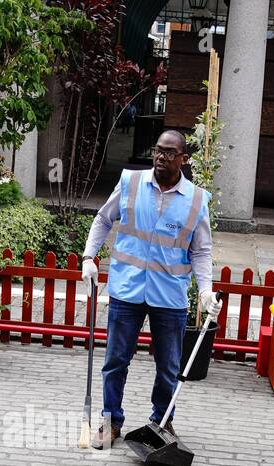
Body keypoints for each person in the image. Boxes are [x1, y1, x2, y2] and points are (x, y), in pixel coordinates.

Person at [81, 129, 220, 449]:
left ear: (183, 160)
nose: (161, 157)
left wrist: (205, 290)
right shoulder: (130, 183)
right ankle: (111, 419)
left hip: (168, 295)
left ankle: (162, 421)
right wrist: (90, 257)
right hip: (127, 290)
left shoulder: (196, 200)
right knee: (116, 359)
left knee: (169, 365)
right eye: (158, 151)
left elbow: (201, 250)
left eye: (169, 153)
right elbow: (103, 219)